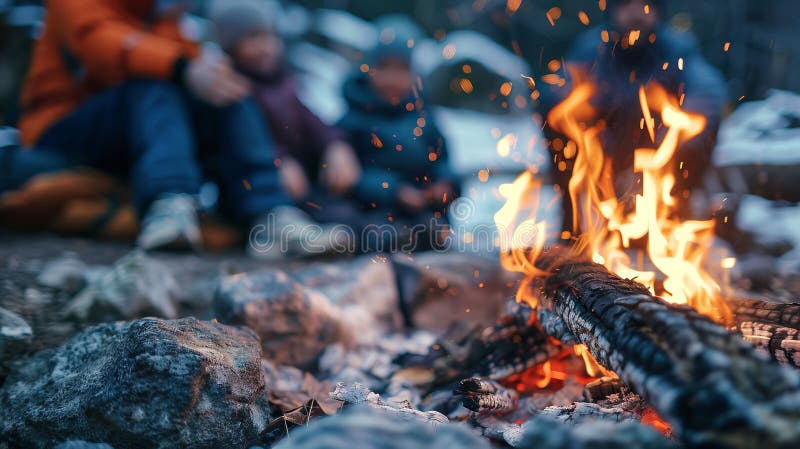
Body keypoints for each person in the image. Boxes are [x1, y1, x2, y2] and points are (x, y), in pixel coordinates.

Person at [17, 0, 335, 257]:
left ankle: (270, 216)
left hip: (130, 140)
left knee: (227, 91)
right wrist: (184, 68)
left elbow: (193, 71)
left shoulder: (163, 18)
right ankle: (170, 205)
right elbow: (97, 43)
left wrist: (212, 78)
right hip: (58, 132)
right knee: (154, 86)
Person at [542, 0, 727, 233]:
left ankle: (673, 221)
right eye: (627, 4)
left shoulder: (678, 50)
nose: (636, 13)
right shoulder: (593, 49)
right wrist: (595, 139)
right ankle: (575, 228)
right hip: (604, 159)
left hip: (663, 161)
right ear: (614, 10)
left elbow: (707, 93)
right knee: (555, 120)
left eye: (645, 5)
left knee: (701, 130)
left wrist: (661, 151)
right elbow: (558, 92)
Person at [210, 0, 361, 206]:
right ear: (230, 46)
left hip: (302, 185)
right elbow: (242, 142)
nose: (266, 47)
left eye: (270, 35)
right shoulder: (232, 90)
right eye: (253, 37)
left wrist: (335, 144)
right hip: (254, 195)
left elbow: (310, 121)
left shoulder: (283, 81)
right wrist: (278, 160)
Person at [335, 32, 460, 252]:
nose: (393, 78)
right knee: (377, 234)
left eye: (402, 69)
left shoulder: (424, 117)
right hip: (375, 210)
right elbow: (351, 176)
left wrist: (446, 185)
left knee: (431, 229)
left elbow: (442, 159)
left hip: (423, 207)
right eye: (385, 68)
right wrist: (393, 191)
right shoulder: (355, 119)